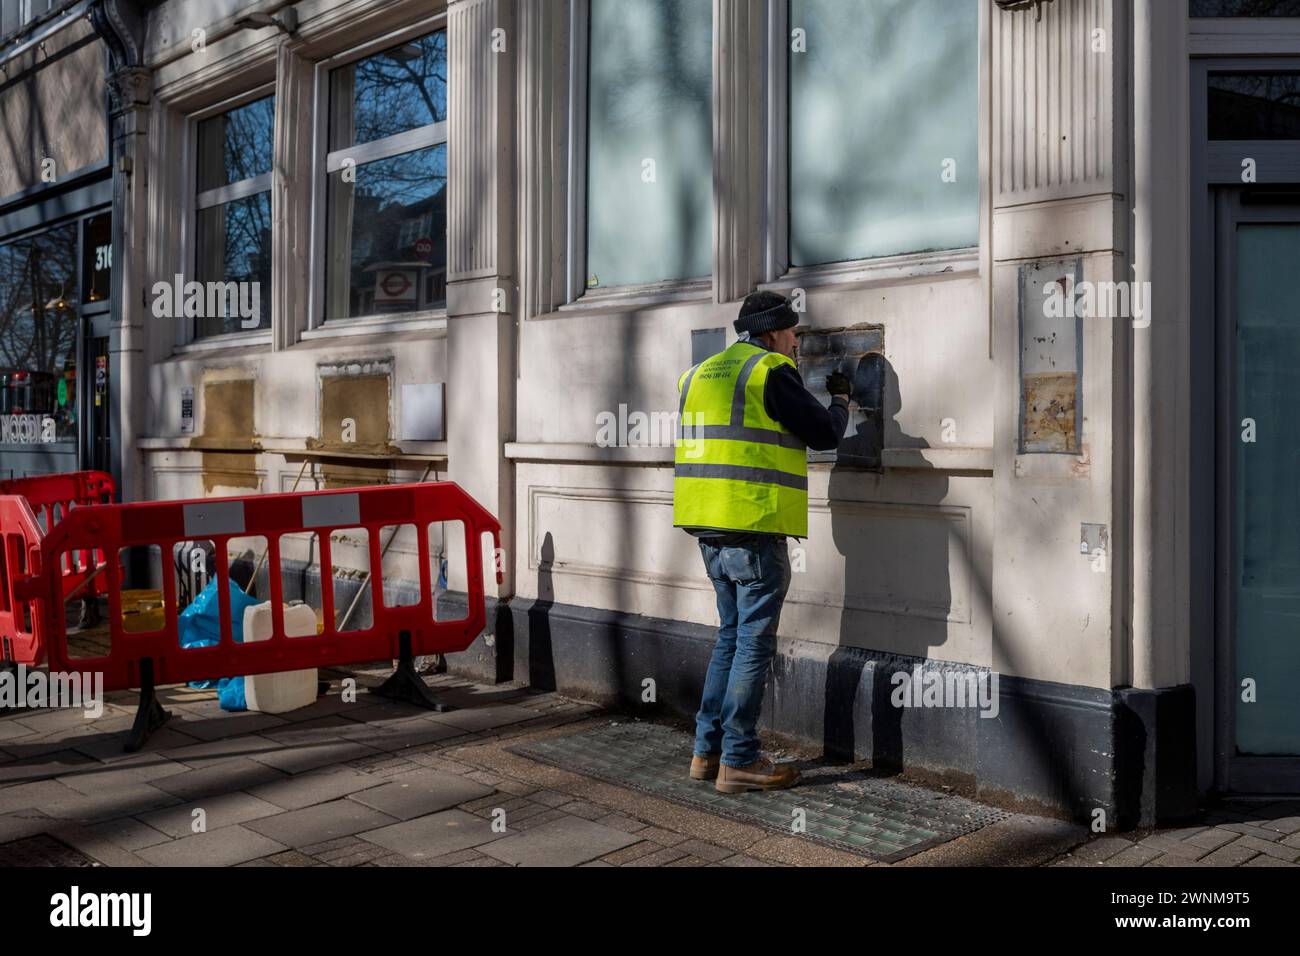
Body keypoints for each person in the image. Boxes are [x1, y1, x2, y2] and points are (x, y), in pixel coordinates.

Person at [674, 290, 851, 793]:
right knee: (752, 644)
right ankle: (740, 760)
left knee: (730, 637)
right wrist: (841, 401)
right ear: (773, 333)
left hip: (706, 524)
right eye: (793, 333)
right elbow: (823, 433)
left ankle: (706, 753)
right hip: (751, 524)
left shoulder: (697, 374)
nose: (796, 343)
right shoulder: (769, 370)